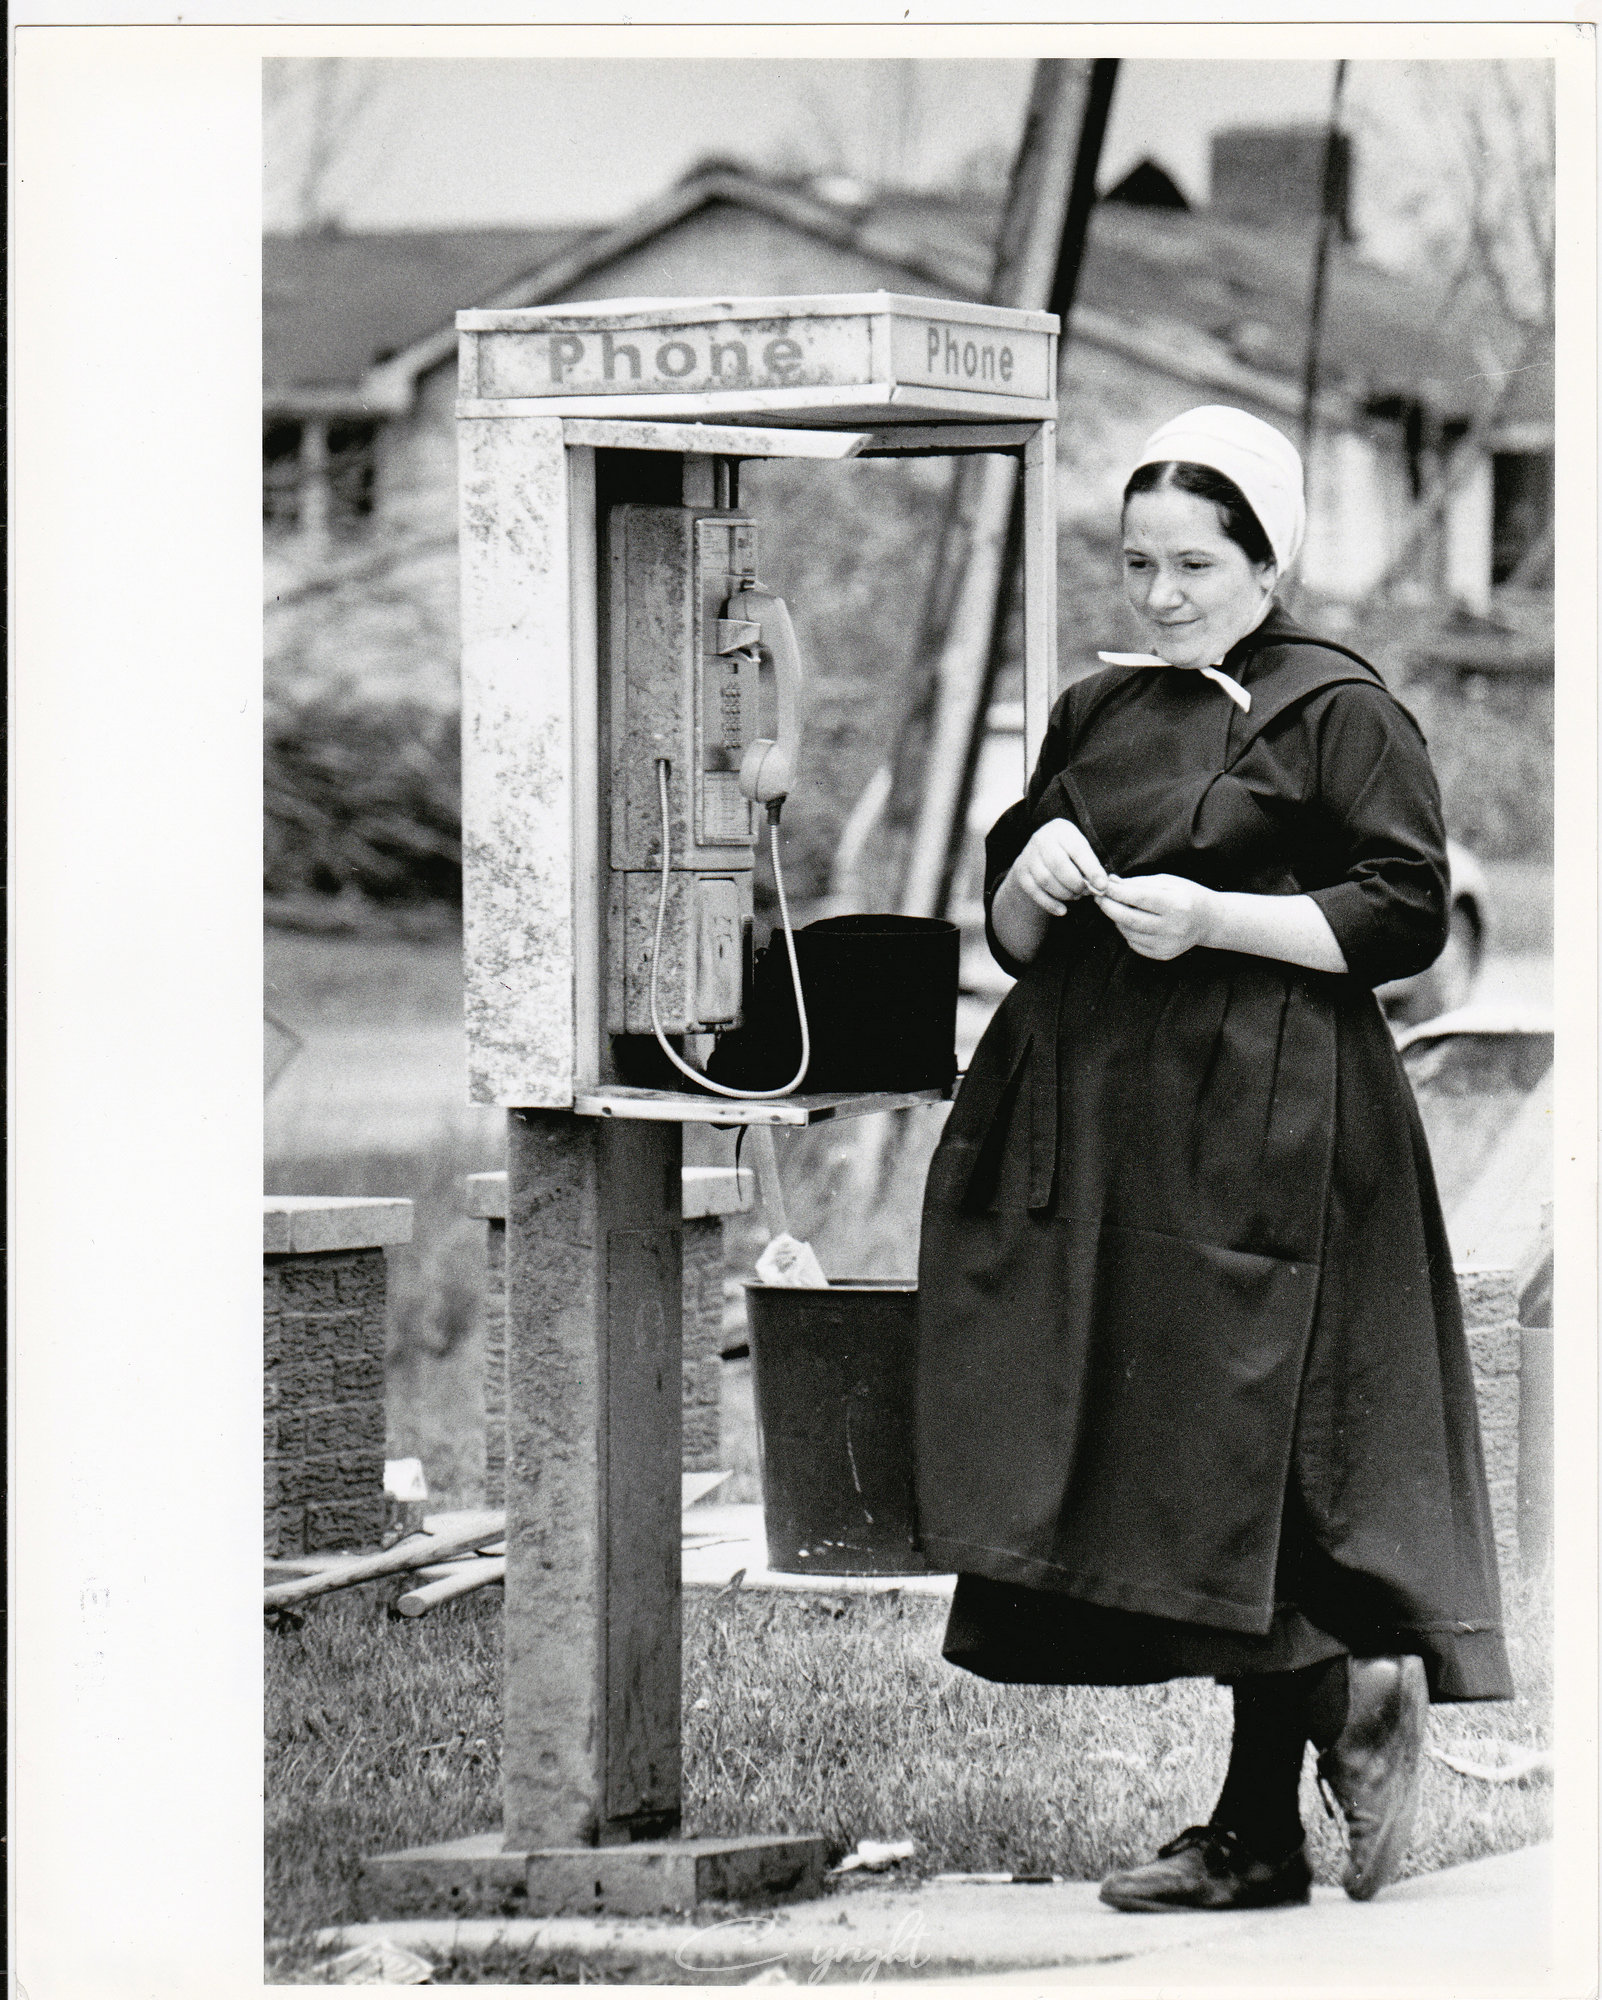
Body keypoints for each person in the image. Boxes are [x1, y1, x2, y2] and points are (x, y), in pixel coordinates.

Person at [914, 405, 1511, 1913]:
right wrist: (1032, 872)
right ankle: (1303, 1759)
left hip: (1272, 1119)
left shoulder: (1335, 707)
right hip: (1112, 1122)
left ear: (1266, 559)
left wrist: (1219, 918)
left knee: (1252, 1450)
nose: (1163, 594)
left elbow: (1402, 911)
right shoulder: (1097, 709)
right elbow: (1009, 920)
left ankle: (1266, 1808)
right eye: (1138, 564)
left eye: (1194, 563)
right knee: (1175, 1458)